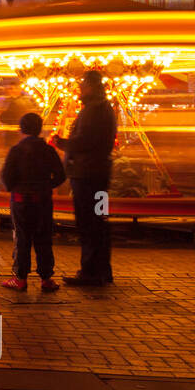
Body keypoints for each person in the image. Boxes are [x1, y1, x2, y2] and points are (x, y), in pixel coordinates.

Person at [50, 70, 118, 286]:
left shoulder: (93, 111)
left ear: (91, 86)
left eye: (83, 84)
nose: (80, 88)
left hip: (87, 176)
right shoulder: (103, 109)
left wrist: (60, 142)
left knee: (89, 222)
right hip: (100, 176)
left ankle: (90, 272)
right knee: (99, 220)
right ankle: (103, 270)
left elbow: (84, 142)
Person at [0, 112, 65, 293]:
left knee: (22, 238)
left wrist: (14, 188)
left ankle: (20, 278)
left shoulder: (16, 150)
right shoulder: (48, 150)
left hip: (21, 200)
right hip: (43, 200)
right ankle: (46, 278)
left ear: (21, 129)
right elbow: (61, 175)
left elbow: (6, 176)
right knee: (43, 238)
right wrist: (47, 186)